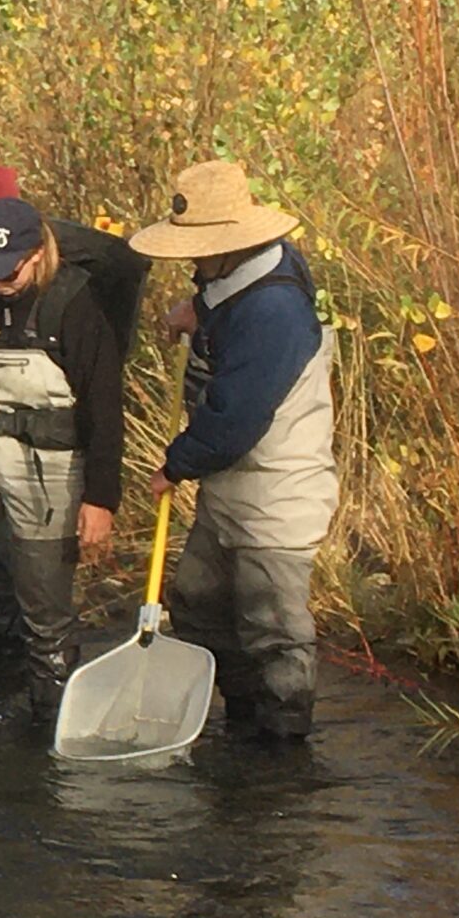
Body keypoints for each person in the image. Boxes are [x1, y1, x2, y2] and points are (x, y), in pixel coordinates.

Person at [0, 163, 152, 684]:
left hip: (51, 470)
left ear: (37, 256)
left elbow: (106, 410)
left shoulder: (77, 305)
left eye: (9, 270)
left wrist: (101, 499)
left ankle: (45, 729)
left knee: (43, 612)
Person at [129, 160, 337, 741]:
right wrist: (199, 311)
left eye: (199, 250)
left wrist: (175, 465)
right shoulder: (250, 270)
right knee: (197, 603)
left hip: (278, 494)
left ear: (231, 243)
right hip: (230, 492)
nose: (192, 262)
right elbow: (224, 302)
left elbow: (234, 421)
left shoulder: (274, 313)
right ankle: (237, 722)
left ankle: (280, 754)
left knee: (274, 632)